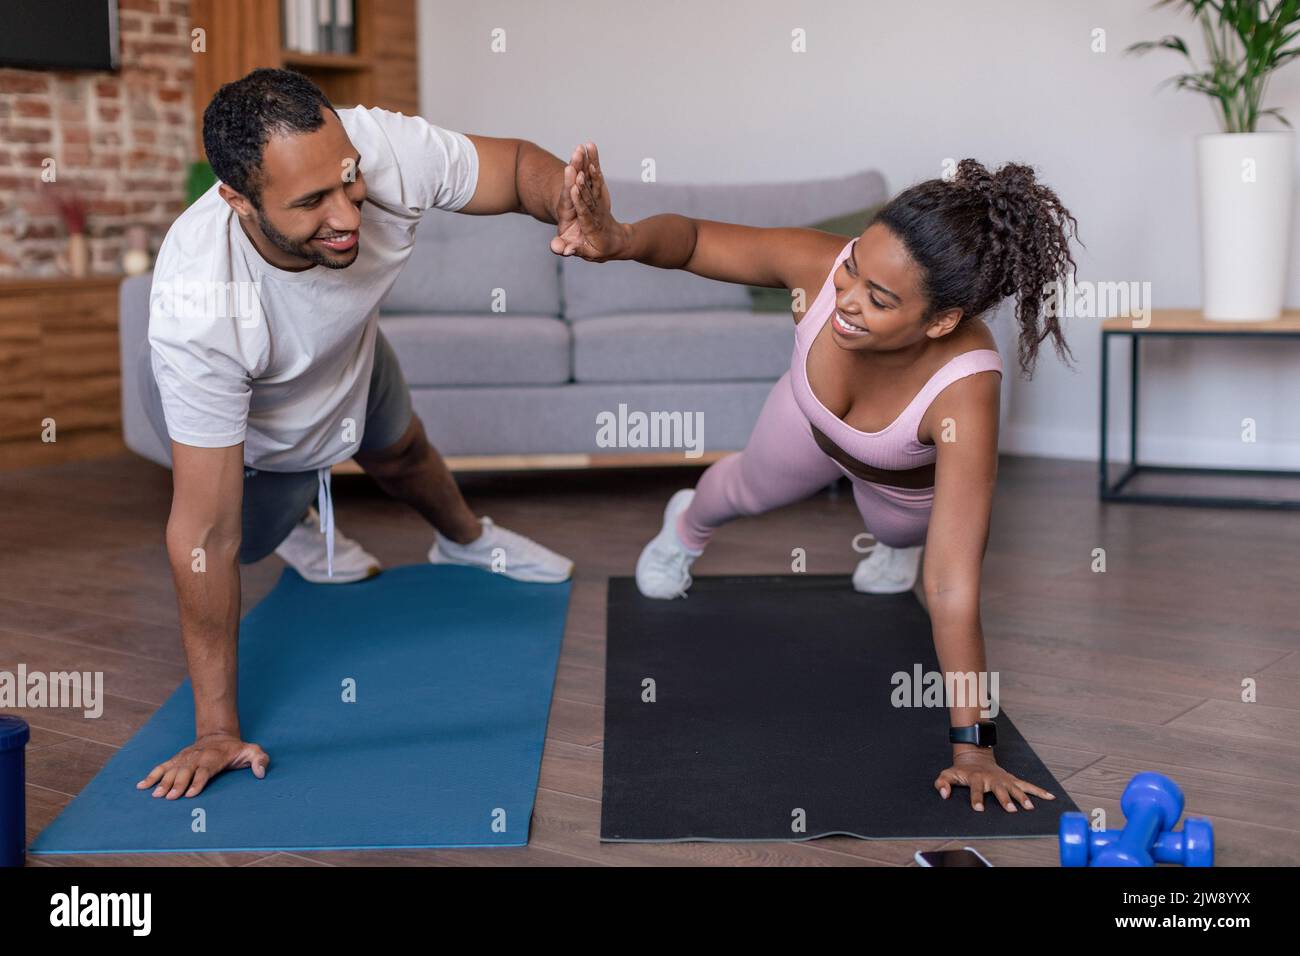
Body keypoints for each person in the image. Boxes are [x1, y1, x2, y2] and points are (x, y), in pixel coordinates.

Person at [556, 144, 1082, 813]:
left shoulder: (966, 386)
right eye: (853, 269)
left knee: (900, 535)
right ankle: (685, 526)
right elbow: (691, 240)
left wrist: (973, 749)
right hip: (808, 425)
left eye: (880, 299)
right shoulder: (820, 265)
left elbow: (952, 582)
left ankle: (893, 545)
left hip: (901, 486)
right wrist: (619, 237)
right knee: (736, 490)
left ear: (942, 321)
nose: (848, 300)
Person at [136, 68, 585, 800]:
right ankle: (297, 526)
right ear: (238, 200)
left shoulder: (382, 147)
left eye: (349, 181)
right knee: (244, 534)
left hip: (345, 352)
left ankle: (466, 540)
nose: (349, 214)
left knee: (403, 451)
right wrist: (217, 729)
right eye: (312, 202)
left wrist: (570, 201)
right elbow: (204, 536)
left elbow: (510, 168)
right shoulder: (199, 308)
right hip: (248, 416)